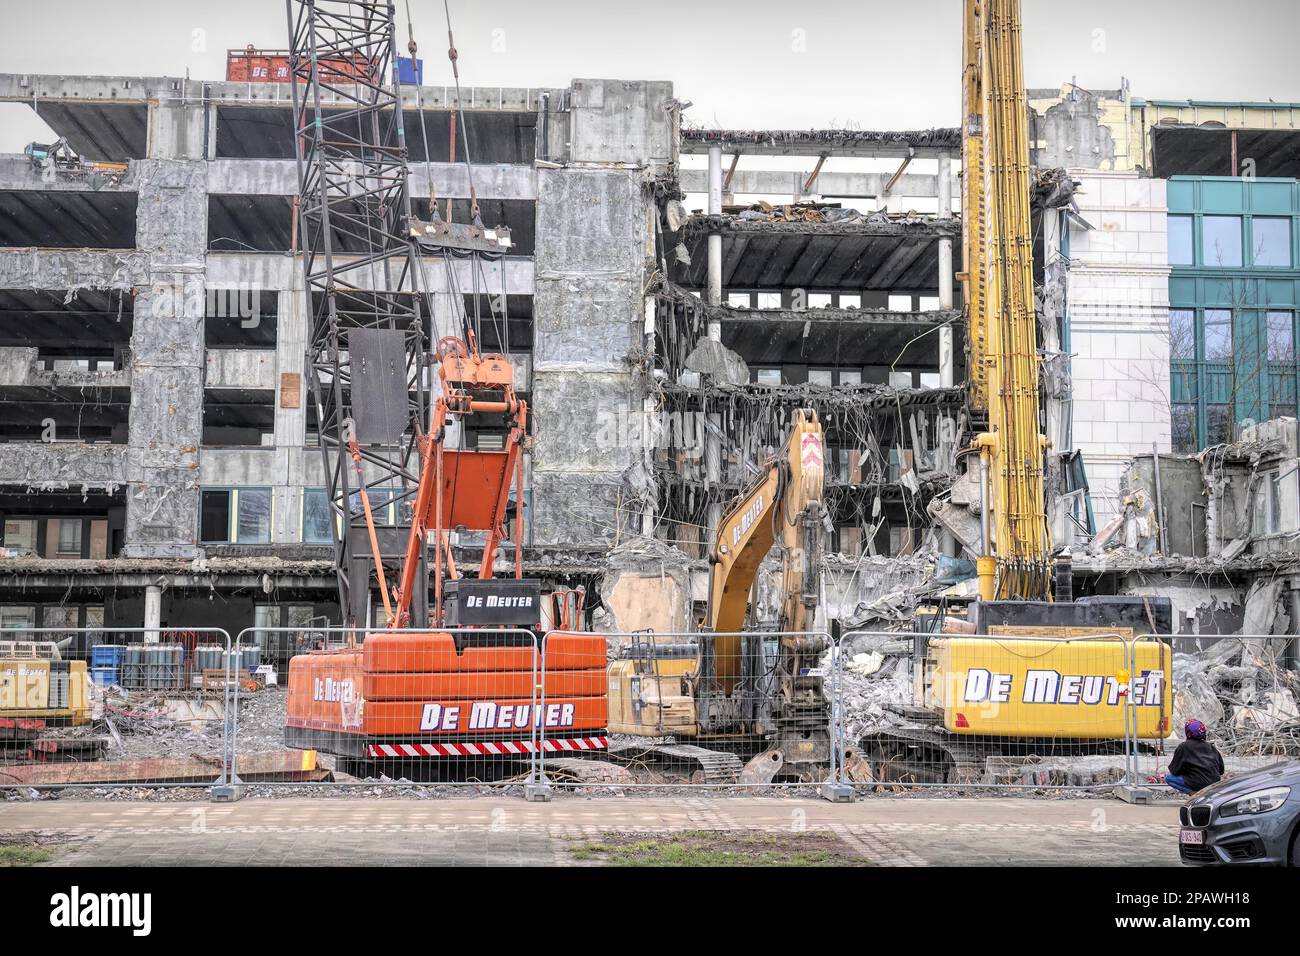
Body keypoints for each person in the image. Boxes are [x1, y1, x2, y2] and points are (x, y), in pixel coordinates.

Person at [1164, 719, 1224, 795]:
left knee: (1168, 777)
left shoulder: (1183, 747)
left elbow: (1175, 771)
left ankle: (1194, 793)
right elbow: (1221, 770)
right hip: (1214, 784)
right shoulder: (1211, 747)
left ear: (1188, 732)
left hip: (1196, 783)